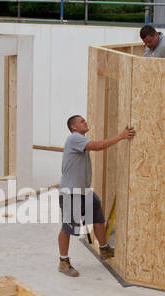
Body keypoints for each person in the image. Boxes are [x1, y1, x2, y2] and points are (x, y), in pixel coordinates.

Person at [57, 115, 134, 277]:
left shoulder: (80, 139)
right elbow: (98, 146)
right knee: (68, 228)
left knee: (98, 216)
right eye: (81, 121)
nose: (85, 122)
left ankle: (104, 249)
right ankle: (63, 261)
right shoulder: (74, 138)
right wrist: (120, 136)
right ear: (74, 127)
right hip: (71, 192)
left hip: (84, 191)